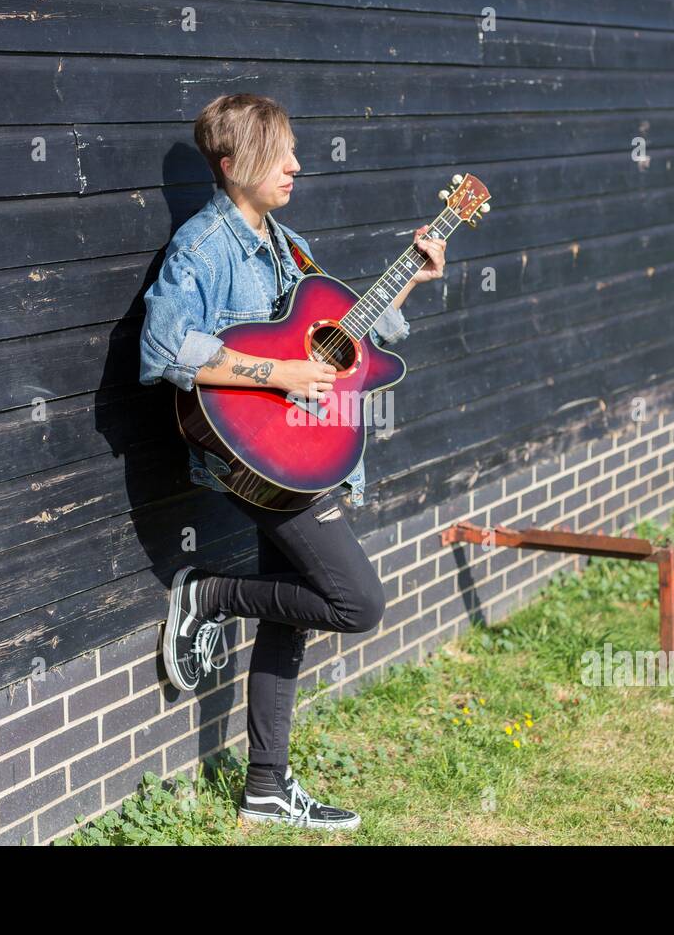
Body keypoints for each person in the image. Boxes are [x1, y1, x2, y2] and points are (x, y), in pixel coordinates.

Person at [138, 93, 446, 830]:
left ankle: (266, 787)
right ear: (231, 163)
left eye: (294, 151)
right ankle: (208, 596)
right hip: (253, 450)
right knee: (357, 602)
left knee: (294, 607)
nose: (296, 165)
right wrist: (278, 377)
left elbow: (344, 333)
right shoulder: (203, 248)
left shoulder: (288, 244)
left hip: (297, 456)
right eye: (280, 154)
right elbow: (163, 347)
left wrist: (409, 277)